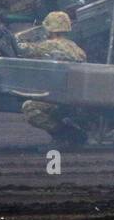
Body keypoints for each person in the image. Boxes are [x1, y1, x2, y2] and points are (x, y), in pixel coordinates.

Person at [20, 11, 89, 145]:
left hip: (59, 96)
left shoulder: (49, 45)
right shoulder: (77, 48)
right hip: (77, 96)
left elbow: (24, 51)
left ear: (50, 29)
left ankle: (65, 134)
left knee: (29, 108)